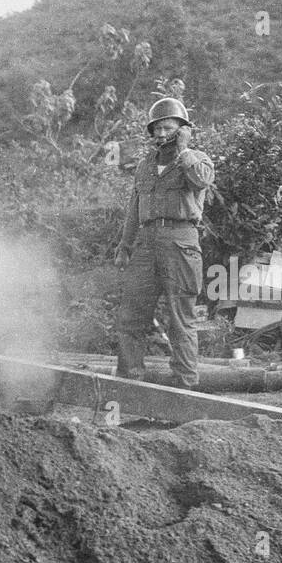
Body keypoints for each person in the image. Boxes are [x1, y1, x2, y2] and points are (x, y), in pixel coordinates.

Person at [113, 97, 216, 388]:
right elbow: (134, 209)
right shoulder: (145, 166)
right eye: (156, 129)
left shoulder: (197, 159)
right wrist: (125, 245)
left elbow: (202, 181)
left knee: (181, 320)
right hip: (145, 245)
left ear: (183, 129)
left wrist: (184, 150)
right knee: (131, 316)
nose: (160, 134)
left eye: (167, 128)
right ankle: (129, 382)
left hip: (180, 242)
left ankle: (185, 386)